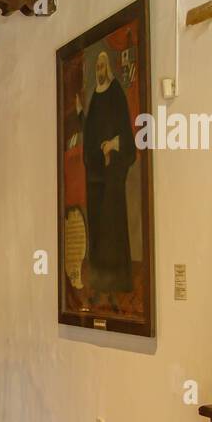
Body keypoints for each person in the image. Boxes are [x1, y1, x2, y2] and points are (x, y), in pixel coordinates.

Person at [81, 50, 137, 310]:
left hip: (112, 176)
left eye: (103, 65)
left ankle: (115, 286)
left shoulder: (116, 94)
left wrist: (112, 145)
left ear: (109, 67)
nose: (100, 69)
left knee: (112, 232)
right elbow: (90, 133)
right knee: (98, 232)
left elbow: (126, 134)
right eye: (97, 66)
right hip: (95, 177)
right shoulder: (95, 97)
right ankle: (100, 284)